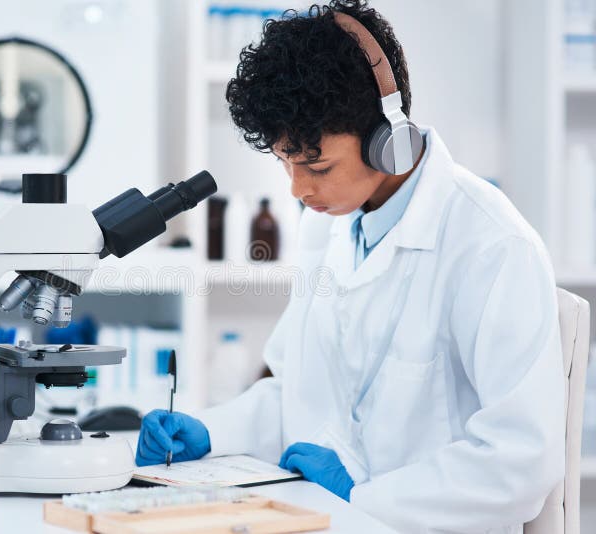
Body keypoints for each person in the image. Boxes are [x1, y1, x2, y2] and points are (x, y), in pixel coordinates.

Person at [136, 2, 565, 532]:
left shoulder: (491, 247)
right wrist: (209, 429)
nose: (297, 189)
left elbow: (520, 463)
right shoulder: (331, 223)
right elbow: (297, 390)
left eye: (317, 166)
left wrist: (365, 497)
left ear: (390, 140)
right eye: (286, 163)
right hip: (325, 520)